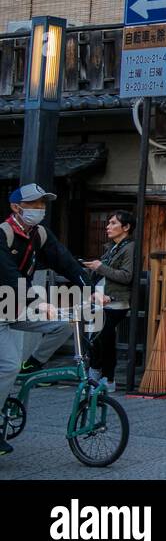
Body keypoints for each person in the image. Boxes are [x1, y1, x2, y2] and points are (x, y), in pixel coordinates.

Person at [0, 184, 93, 458]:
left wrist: (92, 291)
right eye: (33, 204)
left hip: (17, 307)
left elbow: (66, 262)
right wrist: (39, 302)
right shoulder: (2, 234)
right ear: (16, 207)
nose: (39, 209)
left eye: (42, 204)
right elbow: (8, 276)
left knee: (63, 324)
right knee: (7, 366)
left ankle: (33, 365)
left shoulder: (39, 234)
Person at [83, 209, 136, 392]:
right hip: (100, 299)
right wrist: (95, 267)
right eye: (109, 222)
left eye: (113, 223)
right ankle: (103, 378)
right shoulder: (113, 247)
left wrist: (100, 267)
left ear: (126, 227)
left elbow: (127, 276)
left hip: (115, 301)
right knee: (100, 338)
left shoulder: (130, 247)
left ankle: (100, 377)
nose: (108, 226)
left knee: (100, 337)